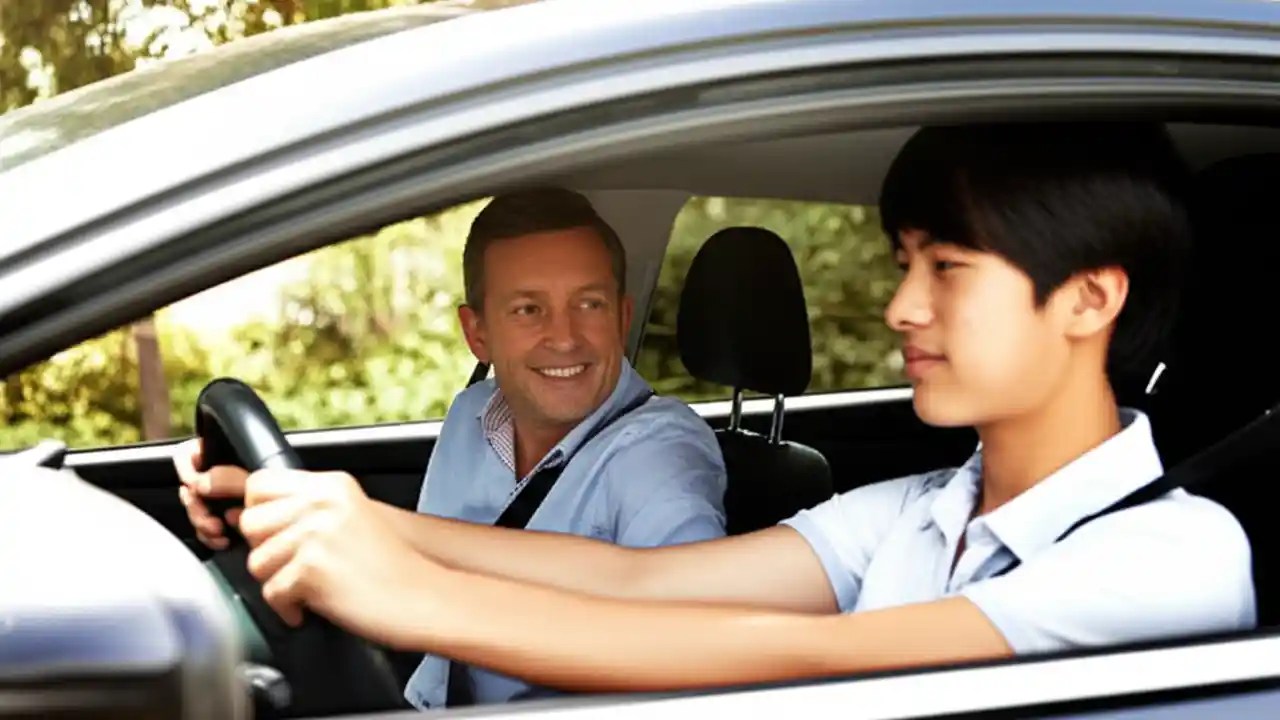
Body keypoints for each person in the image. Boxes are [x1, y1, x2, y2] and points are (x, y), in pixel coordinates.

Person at [204, 121, 1256, 696]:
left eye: (946, 268)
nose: (899, 305)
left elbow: (811, 659)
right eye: (901, 263)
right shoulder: (917, 510)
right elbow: (640, 581)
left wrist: (407, 596)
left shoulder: (1170, 554)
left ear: (1087, 298)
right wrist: (330, 513)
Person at [174, 188, 729, 708]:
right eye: (528, 310)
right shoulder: (471, 416)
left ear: (623, 316)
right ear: (477, 333)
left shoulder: (658, 453)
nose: (565, 336)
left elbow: (697, 638)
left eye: (588, 304)